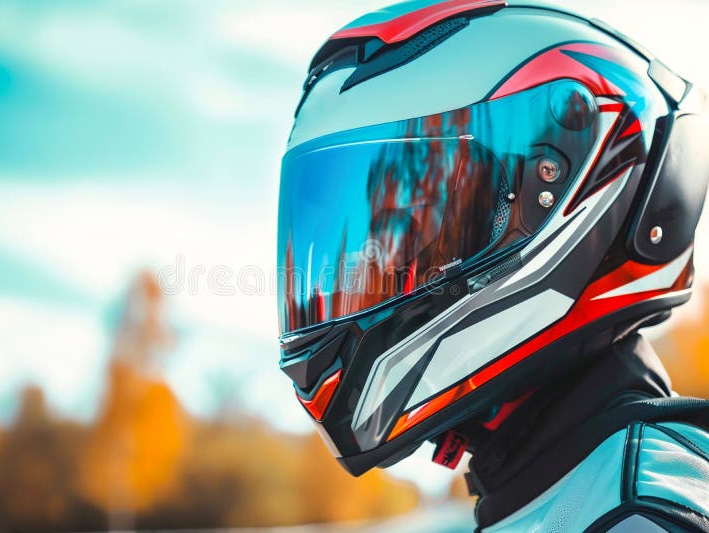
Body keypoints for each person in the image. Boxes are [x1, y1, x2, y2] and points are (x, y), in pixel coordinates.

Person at [275, 1, 709, 531]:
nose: (381, 264)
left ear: (556, 183)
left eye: (422, 229)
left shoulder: (641, 517)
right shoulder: (571, 484)